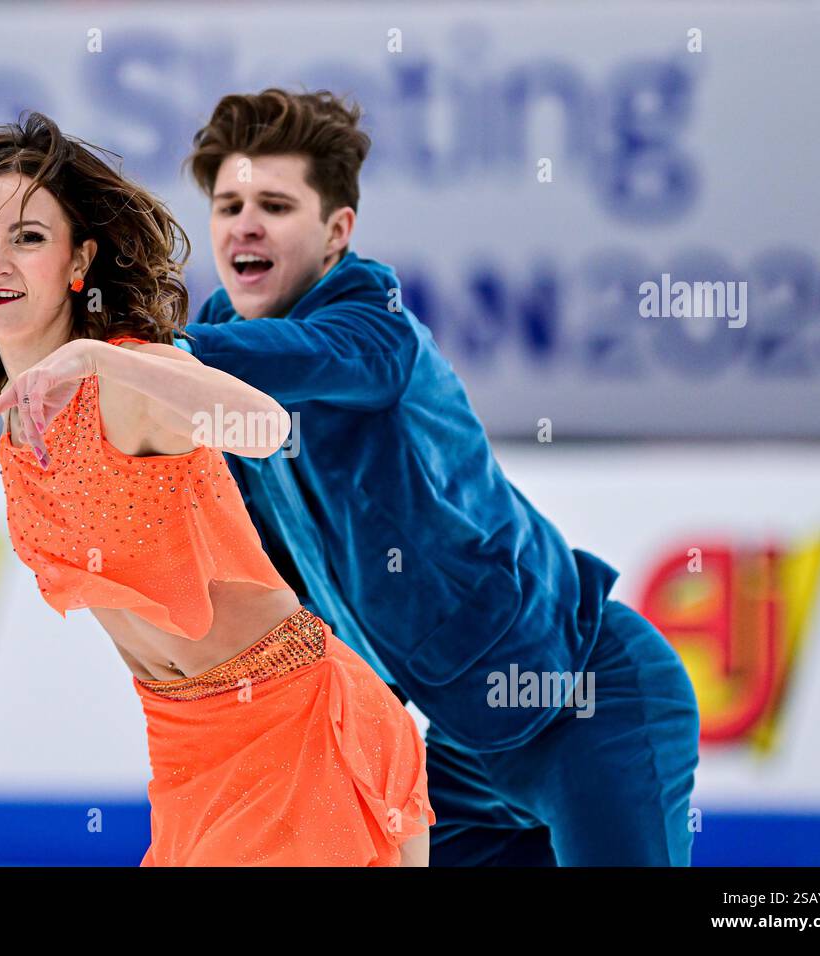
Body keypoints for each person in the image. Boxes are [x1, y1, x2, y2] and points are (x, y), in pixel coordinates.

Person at [170, 88, 701, 865]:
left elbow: (306, 360)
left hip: (592, 700)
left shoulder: (372, 321)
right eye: (229, 205)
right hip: (465, 749)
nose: (244, 223)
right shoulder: (212, 349)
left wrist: (138, 357)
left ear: (336, 232)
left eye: (275, 205)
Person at [0, 111, 434, 866]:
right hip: (189, 751)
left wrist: (102, 359)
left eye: (27, 237)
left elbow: (262, 426)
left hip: (297, 727)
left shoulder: (132, 379)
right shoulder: (21, 420)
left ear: (79, 259)